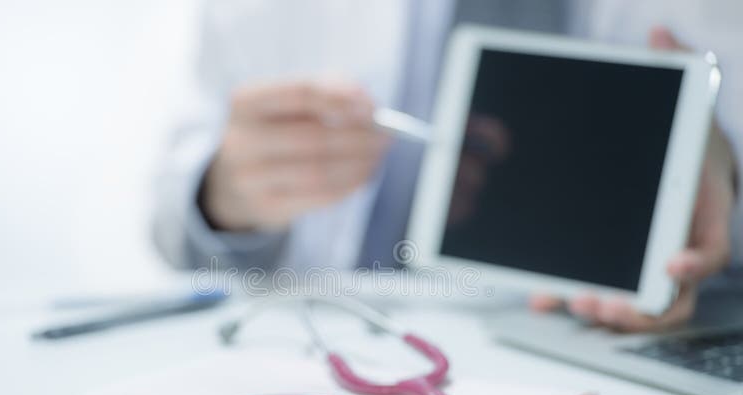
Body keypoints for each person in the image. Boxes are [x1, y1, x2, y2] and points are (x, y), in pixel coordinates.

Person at [153, 0, 741, 332]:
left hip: (595, 344)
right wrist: (227, 196)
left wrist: (728, 176)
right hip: (325, 334)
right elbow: (173, 226)